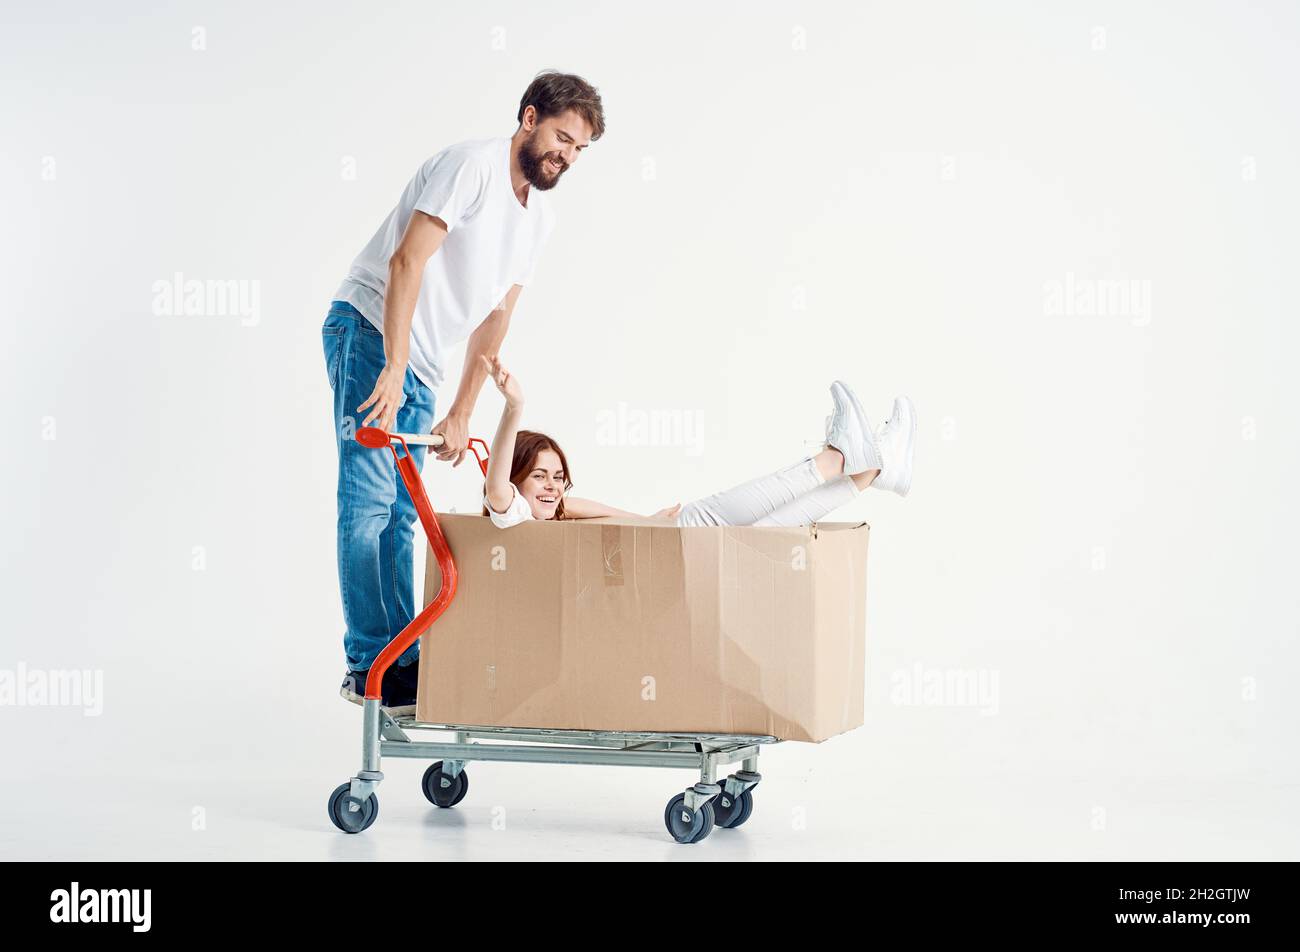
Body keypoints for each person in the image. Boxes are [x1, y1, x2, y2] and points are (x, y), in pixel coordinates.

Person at [322, 71, 605, 712]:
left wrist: (461, 408)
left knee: (401, 518)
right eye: (562, 137)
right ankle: (370, 663)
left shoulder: (540, 220)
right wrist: (391, 369)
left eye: (579, 149)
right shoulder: (471, 166)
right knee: (368, 505)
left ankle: (402, 659)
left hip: (423, 362)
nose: (566, 156)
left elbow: (496, 318)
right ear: (529, 118)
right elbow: (406, 262)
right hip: (370, 329)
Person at [478, 354, 916, 532]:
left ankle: (869, 470)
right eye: (539, 476)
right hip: (667, 563)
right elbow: (497, 485)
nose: (553, 486)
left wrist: (650, 522)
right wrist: (513, 407)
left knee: (766, 528)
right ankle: (840, 458)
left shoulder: (554, 516)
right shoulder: (511, 517)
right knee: (715, 520)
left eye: (558, 477)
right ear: (515, 480)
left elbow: (599, 512)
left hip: (663, 546)